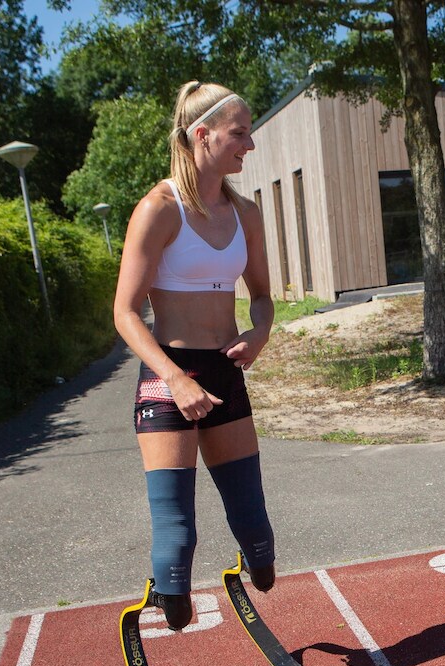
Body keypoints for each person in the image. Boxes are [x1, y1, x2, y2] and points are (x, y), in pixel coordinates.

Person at [113, 81, 277, 631]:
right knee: (176, 542)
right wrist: (175, 379)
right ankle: (164, 599)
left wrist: (260, 333)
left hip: (226, 374)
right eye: (240, 133)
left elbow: (261, 296)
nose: (249, 145)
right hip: (170, 377)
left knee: (261, 544)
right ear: (201, 135)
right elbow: (125, 313)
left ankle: (246, 565)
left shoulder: (245, 213)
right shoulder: (158, 210)